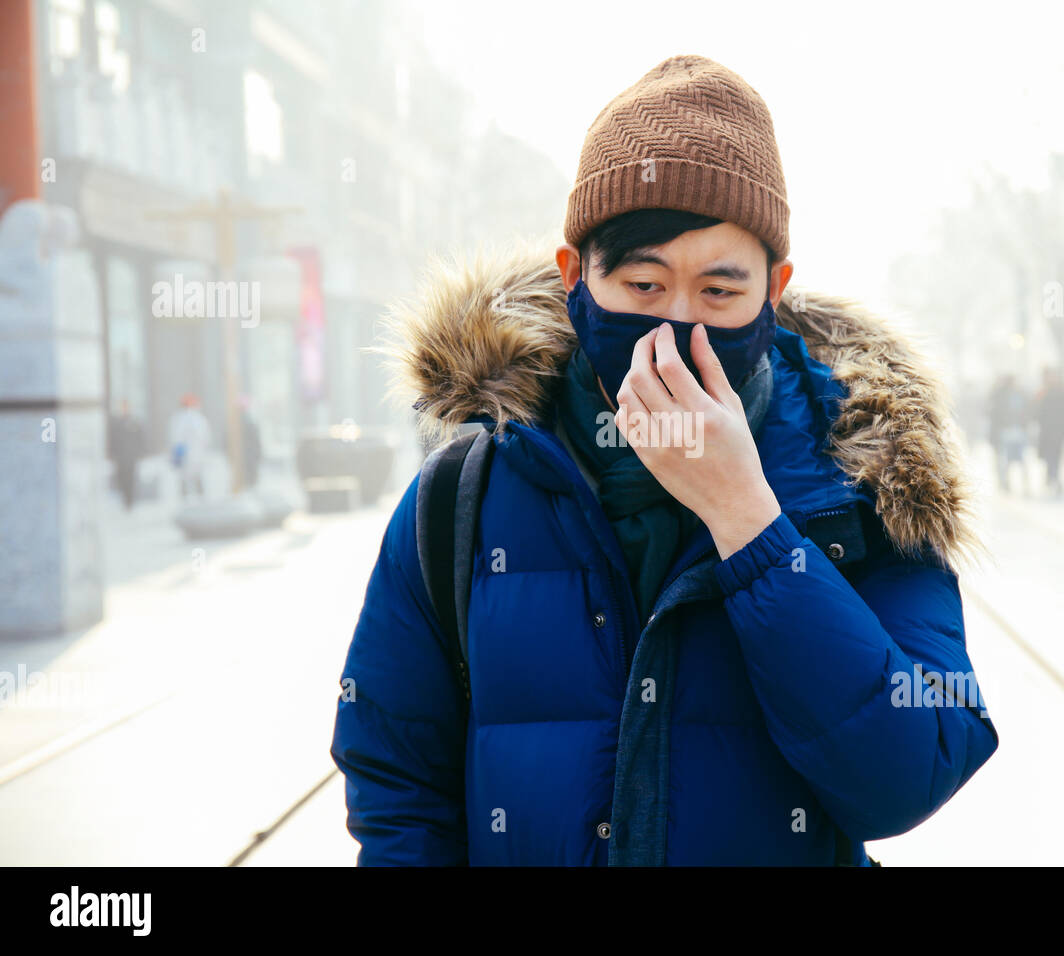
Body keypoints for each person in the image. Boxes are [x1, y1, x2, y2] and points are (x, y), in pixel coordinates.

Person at [330, 55, 998, 867]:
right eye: (644, 284)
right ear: (575, 276)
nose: (679, 324)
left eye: (719, 294)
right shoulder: (467, 492)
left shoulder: (864, 482)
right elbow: (396, 784)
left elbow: (906, 776)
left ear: (773, 292)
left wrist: (749, 524)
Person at [1033, 367, 1064, 497]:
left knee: (1056, 456)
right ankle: (1052, 477)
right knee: (1050, 456)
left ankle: (1053, 477)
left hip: (1058, 431)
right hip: (1047, 431)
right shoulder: (1043, 392)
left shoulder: (1061, 392)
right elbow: (1036, 411)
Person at [989, 373, 1030, 493]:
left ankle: (1012, 482)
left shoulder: (1018, 394)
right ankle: (1006, 482)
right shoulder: (1000, 395)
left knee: (1017, 459)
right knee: (1008, 459)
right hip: (1007, 430)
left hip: (1014, 430)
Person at [167, 392, 210, 499]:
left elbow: (175, 437)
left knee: (189, 478)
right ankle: (197, 499)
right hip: (192, 454)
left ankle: (191, 499)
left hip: (191, 454)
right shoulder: (197, 418)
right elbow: (205, 437)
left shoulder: (181, 418)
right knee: (193, 478)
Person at [108, 398, 146, 510]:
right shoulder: (116, 422)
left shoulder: (135, 421)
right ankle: (124, 499)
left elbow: (140, 437)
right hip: (120, 456)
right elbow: (112, 439)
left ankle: (130, 501)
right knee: (121, 478)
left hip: (131, 455)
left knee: (131, 477)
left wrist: (141, 451)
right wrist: (112, 453)